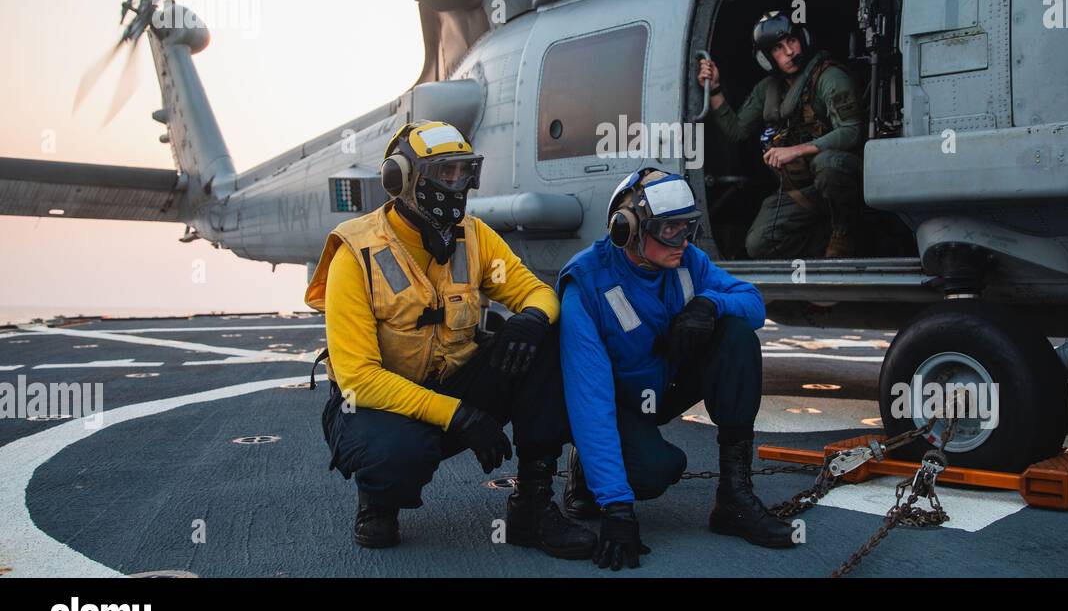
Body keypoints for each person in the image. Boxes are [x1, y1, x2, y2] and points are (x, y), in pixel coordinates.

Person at [303, 119, 595, 559]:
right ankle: (377, 500)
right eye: (445, 174)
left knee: (547, 339)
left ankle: (532, 505)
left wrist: (532, 318)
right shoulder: (355, 254)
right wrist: (457, 416)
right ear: (400, 179)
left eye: (464, 172)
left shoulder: (475, 238)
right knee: (398, 453)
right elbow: (357, 379)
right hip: (380, 405)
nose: (457, 185)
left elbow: (536, 291)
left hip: (457, 386)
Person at [556, 167, 796, 571]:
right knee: (655, 472)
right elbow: (589, 399)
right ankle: (585, 474)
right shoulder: (587, 284)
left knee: (736, 335)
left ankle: (734, 498)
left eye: (689, 227)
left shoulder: (689, 261)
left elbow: (754, 303)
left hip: (663, 385)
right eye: (669, 230)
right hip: (620, 404)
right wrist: (617, 509)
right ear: (626, 229)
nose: (682, 241)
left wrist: (709, 305)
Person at [698, 11, 865, 259]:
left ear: (803, 39)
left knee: (829, 165)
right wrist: (714, 90)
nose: (789, 51)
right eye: (777, 48)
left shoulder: (829, 77)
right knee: (759, 244)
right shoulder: (768, 89)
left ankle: (845, 232)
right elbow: (736, 131)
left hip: (844, 180)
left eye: (792, 41)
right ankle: (825, 245)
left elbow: (852, 131)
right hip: (801, 190)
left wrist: (796, 150)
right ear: (766, 58)